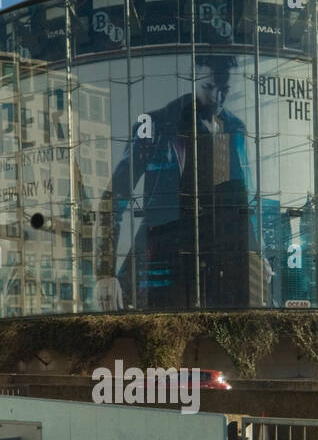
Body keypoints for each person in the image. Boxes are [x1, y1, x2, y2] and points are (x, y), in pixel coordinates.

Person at [99, 55, 270, 311]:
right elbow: (115, 196)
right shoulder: (158, 123)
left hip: (217, 261)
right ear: (193, 80)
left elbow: (240, 200)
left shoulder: (231, 128)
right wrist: (105, 271)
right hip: (163, 253)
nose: (217, 99)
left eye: (225, 90)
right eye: (208, 88)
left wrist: (257, 257)